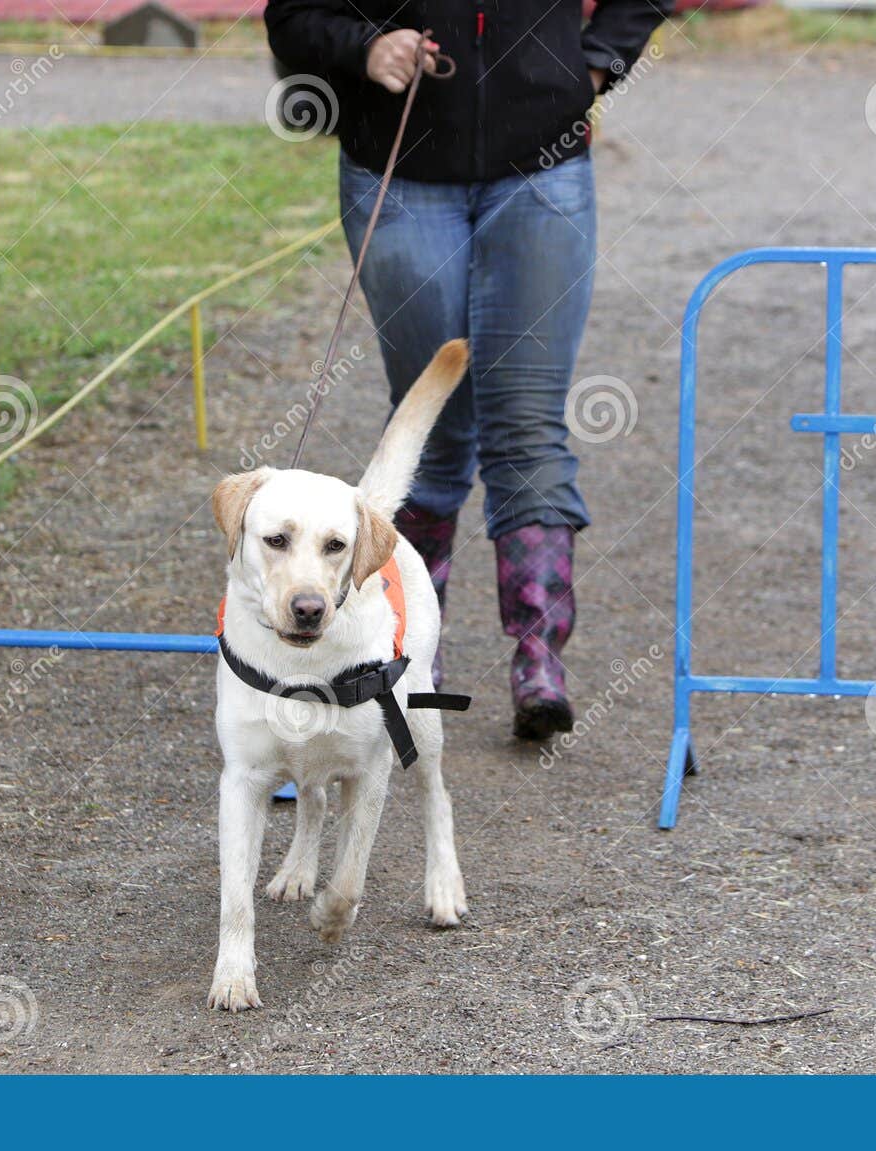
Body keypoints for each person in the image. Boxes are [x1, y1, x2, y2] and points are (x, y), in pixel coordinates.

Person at [265, 0, 670, 741]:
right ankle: (412, 653)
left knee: (528, 420)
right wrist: (365, 47)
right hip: (401, 170)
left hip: (544, 167)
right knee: (433, 424)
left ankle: (539, 657)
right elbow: (293, 13)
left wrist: (592, 64)